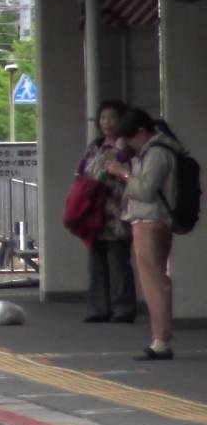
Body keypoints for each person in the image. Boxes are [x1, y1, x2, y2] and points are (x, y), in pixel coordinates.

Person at [107, 108, 181, 360]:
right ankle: (160, 337)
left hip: (150, 220)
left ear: (141, 132)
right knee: (154, 279)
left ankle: (161, 339)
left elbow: (146, 191)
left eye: (130, 138)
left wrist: (123, 173)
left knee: (154, 281)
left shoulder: (157, 153)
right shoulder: (152, 151)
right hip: (148, 220)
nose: (129, 144)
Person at [78, 100, 136, 323]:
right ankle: (98, 308)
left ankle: (123, 308)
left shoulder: (128, 147)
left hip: (117, 211)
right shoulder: (95, 145)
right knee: (96, 262)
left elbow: (122, 174)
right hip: (94, 211)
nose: (107, 122)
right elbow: (83, 171)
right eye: (103, 118)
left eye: (112, 118)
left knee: (118, 261)